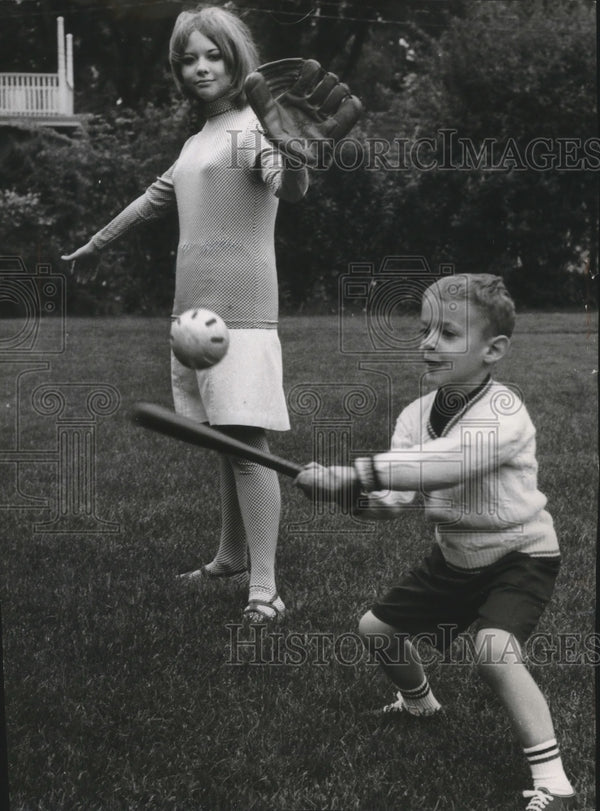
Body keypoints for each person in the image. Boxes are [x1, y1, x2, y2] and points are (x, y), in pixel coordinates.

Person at [62, 5, 310, 623]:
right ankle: (230, 556)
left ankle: (266, 588)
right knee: (223, 440)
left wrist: (294, 151)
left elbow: (291, 186)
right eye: (187, 59)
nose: (199, 68)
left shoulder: (256, 128)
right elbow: (154, 198)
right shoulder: (200, 138)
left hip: (242, 314)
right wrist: (95, 244)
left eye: (212, 55)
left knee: (247, 443)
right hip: (195, 317)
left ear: (236, 58)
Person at [295, 274, 576, 809]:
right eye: (425, 330)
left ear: (493, 350)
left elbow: (450, 462)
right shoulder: (414, 417)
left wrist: (356, 472)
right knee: (376, 629)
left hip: (520, 554)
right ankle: (420, 703)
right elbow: (395, 500)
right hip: (455, 556)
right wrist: (345, 497)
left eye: (447, 333)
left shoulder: (503, 412)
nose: (427, 342)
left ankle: (554, 783)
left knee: (493, 650)